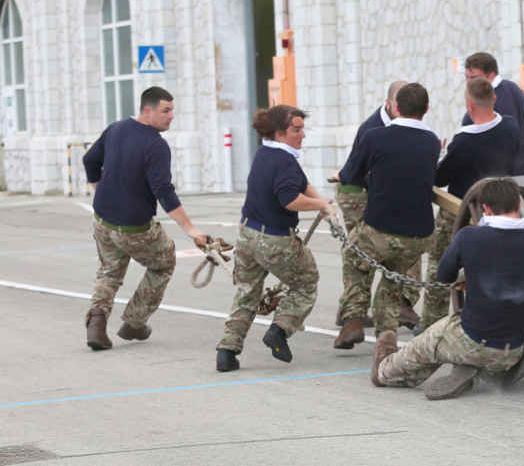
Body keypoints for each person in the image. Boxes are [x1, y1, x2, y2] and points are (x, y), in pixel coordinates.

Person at [371, 178, 524, 400]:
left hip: (470, 342)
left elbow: (444, 276)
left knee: (387, 372)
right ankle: (470, 367)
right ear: (518, 206)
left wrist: (474, 274)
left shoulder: (469, 237)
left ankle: (390, 365)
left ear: (485, 209)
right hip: (513, 353)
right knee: (445, 346)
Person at [82, 86, 208, 350]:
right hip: (134, 228)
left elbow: (90, 160)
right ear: (147, 111)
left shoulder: (115, 129)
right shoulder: (155, 144)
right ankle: (134, 323)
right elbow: (163, 190)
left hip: (102, 221)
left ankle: (96, 323)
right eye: (166, 110)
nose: (171, 116)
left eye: (172, 110)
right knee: (163, 262)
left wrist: (99, 187)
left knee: (109, 272)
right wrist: (191, 229)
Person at [216, 105, 336, 371]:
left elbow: (302, 185)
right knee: (306, 284)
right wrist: (322, 207)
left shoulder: (265, 152)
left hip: (246, 235)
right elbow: (290, 199)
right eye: (297, 130)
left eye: (302, 128)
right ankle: (279, 330)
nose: (303, 134)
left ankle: (226, 351)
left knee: (247, 292)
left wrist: (321, 203)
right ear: (280, 133)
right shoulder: (285, 161)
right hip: (275, 240)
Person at [333, 83, 440, 347]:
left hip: (382, 230)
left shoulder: (375, 137)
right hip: (420, 235)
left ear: (395, 107)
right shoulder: (432, 142)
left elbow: (350, 174)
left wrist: (340, 174)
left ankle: (353, 320)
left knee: (354, 256)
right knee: (394, 274)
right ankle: (387, 334)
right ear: (427, 109)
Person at [419, 77, 522, 332]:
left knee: (439, 262)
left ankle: (432, 320)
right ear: (494, 99)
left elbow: (441, 178)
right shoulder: (511, 126)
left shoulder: (464, 141)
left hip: (462, 211)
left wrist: (437, 159)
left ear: (469, 106)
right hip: (502, 207)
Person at [462, 53, 524, 175]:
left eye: (474, 78)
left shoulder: (485, 104)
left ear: (491, 76)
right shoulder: (514, 88)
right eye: (467, 77)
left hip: (501, 180)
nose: (468, 82)